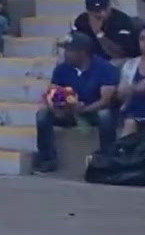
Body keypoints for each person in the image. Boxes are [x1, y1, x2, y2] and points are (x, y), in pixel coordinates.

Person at [32, 33, 120, 174]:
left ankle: (107, 158)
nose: (65, 54)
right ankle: (47, 159)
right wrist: (57, 108)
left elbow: (105, 100)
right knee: (42, 115)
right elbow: (52, 93)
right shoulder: (62, 69)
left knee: (105, 115)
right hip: (69, 111)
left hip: (92, 111)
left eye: (69, 50)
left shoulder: (104, 68)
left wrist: (84, 109)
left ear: (82, 52)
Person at [72, 0, 138, 62]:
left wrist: (99, 34)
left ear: (109, 4)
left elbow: (121, 54)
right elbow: (72, 44)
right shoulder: (81, 21)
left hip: (115, 61)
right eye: (95, 11)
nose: (101, 14)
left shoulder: (121, 20)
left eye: (104, 9)